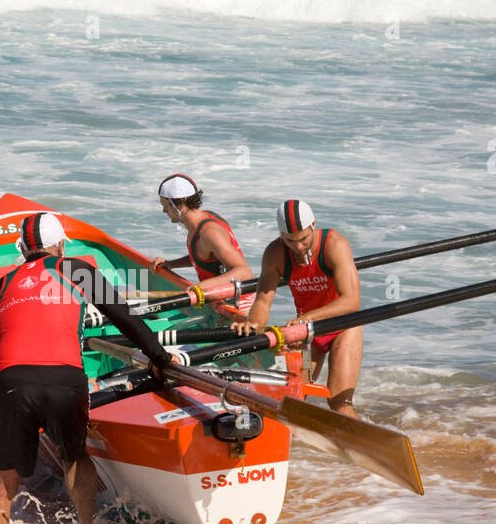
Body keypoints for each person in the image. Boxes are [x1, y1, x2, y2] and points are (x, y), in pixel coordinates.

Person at [0, 212, 175, 524]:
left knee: (1, 482)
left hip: (14, 381)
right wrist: (159, 358)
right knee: (75, 457)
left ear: (22, 250)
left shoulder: (1, 285)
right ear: (60, 246)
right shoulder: (78, 269)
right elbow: (125, 317)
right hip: (65, 380)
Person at [232, 200, 363, 418]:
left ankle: (368, 445)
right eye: (290, 241)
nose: (299, 247)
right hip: (308, 333)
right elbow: (263, 302)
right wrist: (251, 325)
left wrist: (306, 318)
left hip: (342, 326)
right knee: (290, 401)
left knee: (339, 405)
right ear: (281, 235)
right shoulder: (275, 253)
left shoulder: (334, 244)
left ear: (313, 225)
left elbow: (351, 301)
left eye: (303, 239)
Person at [148, 173, 255, 313]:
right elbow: (204, 258)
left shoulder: (209, 232)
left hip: (238, 304)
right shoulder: (202, 221)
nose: (163, 211)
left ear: (178, 203)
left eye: (165, 205)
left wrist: (200, 286)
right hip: (217, 300)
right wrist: (171, 264)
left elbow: (244, 272)